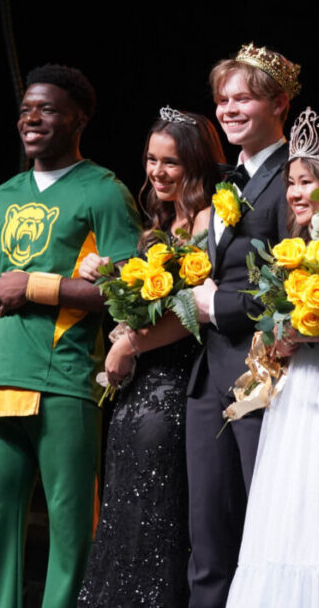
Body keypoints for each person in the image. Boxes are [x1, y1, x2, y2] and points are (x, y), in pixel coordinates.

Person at [0, 64, 142, 608]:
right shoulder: (0, 199)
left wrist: (36, 285)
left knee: (72, 532)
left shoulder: (104, 192)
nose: (31, 118)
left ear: (80, 118)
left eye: (48, 109)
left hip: (67, 381)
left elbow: (131, 291)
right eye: (26, 109)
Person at [225, 107, 319, 608]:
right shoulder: (291, 249)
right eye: (289, 182)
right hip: (293, 393)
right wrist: (275, 337)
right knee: (286, 500)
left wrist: (303, 330)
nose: (292, 192)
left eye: (304, 180)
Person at [77, 107, 224, 608]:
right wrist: (111, 284)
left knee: (156, 518)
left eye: (171, 163)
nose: (157, 172)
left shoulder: (207, 223)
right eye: (151, 160)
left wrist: (127, 343)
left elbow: (196, 310)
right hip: (140, 389)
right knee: (123, 512)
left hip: (176, 389)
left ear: (197, 165)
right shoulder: (158, 226)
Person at [187, 43, 300, 608]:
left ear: (279, 103)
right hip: (209, 375)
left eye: (244, 98)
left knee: (261, 521)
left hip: (262, 372)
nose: (229, 110)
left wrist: (219, 306)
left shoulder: (294, 177)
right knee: (207, 529)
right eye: (222, 100)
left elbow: (298, 276)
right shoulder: (229, 181)